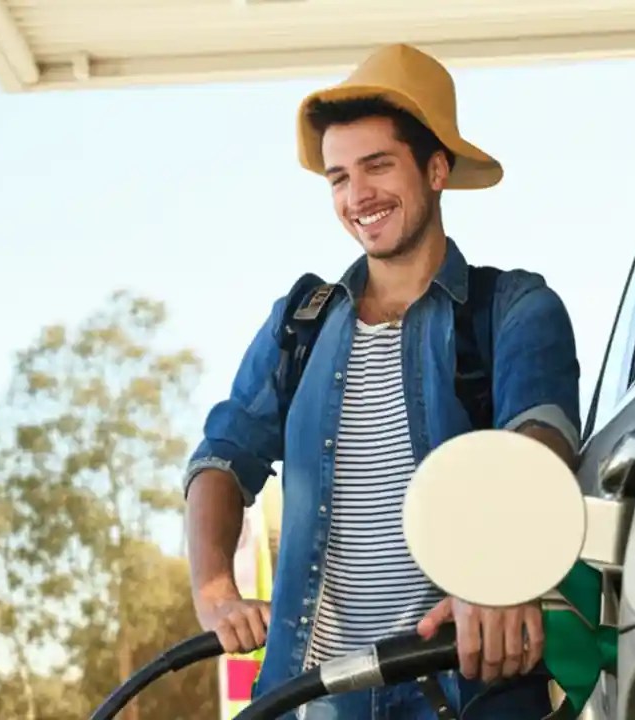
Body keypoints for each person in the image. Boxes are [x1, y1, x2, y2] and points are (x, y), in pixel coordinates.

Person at [183, 43, 581, 719]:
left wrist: (502, 570)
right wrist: (214, 590)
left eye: (377, 166)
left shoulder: (513, 310)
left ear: (436, 168)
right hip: (310, 698)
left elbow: (539, 443)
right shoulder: (299, 324)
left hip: (466, 689)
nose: (357, 196)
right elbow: (220, 458)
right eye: (338, 177)